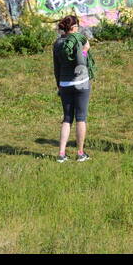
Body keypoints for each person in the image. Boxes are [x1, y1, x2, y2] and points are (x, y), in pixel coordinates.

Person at [52, 14, 93, 162]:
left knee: (67, 118)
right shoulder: (76, 41)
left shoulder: (57, 43)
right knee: (81, 118)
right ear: (73, 27)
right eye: (77, 27)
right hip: (81, 83)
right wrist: (85, 49)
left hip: (64, 83)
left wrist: (59, 84)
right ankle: (80, 153)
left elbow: (56, 67)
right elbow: (80, 62)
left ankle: (61, 154)